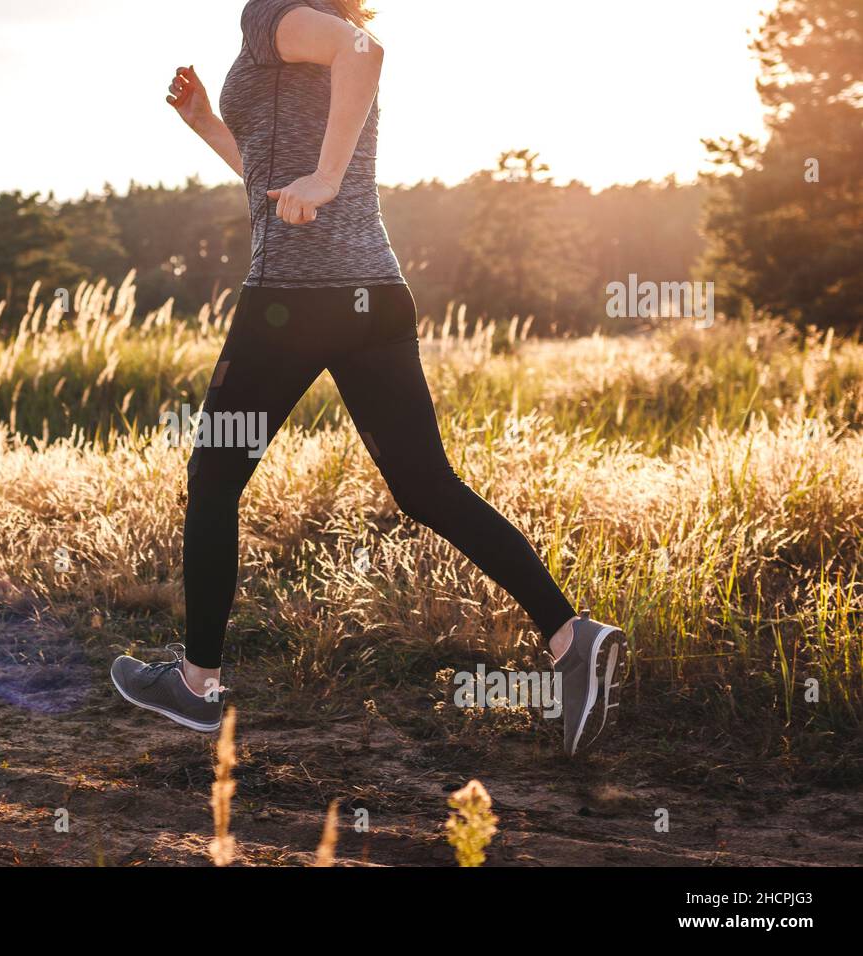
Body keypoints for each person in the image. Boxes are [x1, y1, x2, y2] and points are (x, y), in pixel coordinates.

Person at [110, 0, 626, 756]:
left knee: (214, 477)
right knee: (425, 487)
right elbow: (277, 176)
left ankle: (194, 687)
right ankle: (569, 637)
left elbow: (364, 54)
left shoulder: (275, 15)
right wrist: (211, 129)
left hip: (293, 296)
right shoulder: (302, 26)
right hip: (373, 296)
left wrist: (321, 177)